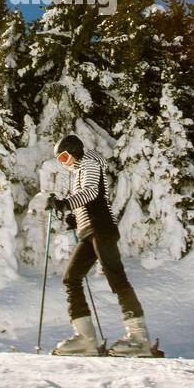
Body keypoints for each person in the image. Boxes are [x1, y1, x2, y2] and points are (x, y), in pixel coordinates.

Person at [48, 134, 153, 356]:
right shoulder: (78, 171)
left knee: (116, 277)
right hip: (89, 231)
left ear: (75, 151)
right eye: (60, 160)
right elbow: (87, 200)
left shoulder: (90, 163)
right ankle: (85, 339)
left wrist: (65, 203)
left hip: (101, 227)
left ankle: (139, 338)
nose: (65, 163)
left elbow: (91, 193)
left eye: (65, 157)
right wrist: (75, 218)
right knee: (71, 278)